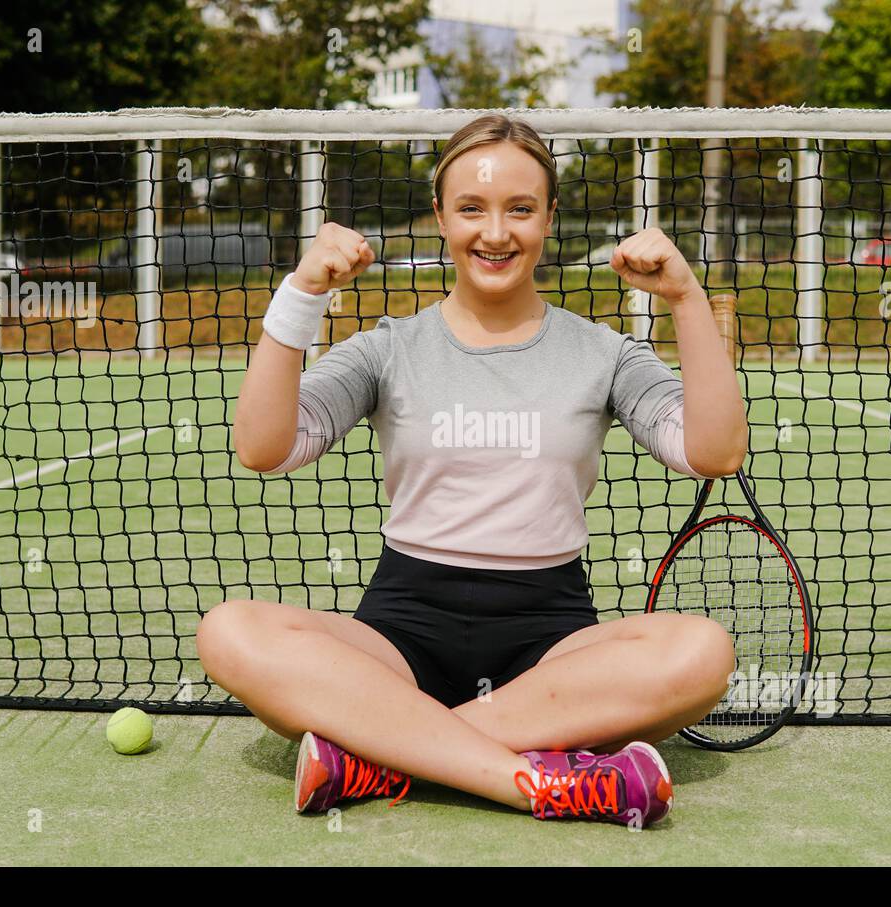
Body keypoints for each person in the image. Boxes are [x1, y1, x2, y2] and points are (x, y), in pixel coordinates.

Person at [197, 114, 746, 826]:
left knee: (703, 654)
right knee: (230, 632)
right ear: (440, 217)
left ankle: (383, 751)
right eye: (472, 209)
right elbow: (263, 447)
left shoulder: (604, 354)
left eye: (520, 209)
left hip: (551, 649)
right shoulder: (386, 349)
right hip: (399, 635)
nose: (496, 232)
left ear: (549, 216)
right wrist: (303, 293)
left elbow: (716, 451)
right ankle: (535, 779)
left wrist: (685, 299)